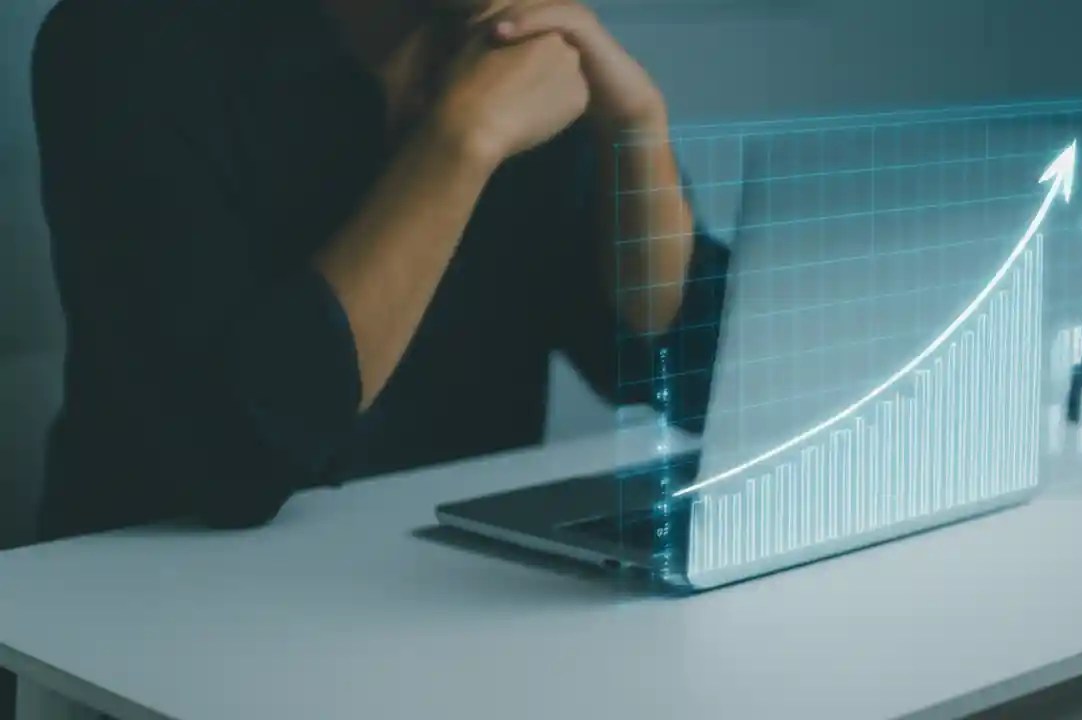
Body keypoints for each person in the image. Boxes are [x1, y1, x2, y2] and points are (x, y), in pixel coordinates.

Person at [31, 0, 727, 541]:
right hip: (139, 618)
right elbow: (230, 464)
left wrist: (634, 126)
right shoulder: (124, 43)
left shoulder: (517, 50)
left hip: (436, 595)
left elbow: (681, 375)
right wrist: (460, 144)